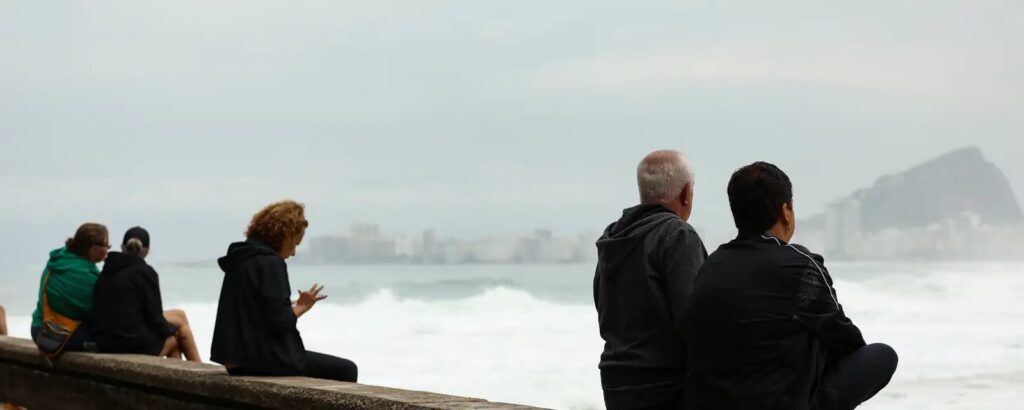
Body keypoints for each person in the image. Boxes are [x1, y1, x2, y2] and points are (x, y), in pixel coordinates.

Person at [683, 162, 897, 410]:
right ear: (786, 211)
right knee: (882, 356)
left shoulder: (710, 266)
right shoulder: (798, 265)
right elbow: (844, 338)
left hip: (712, 401)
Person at [594, 150, 708, 410]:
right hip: (664, 384)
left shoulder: (613, 236)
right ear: (686, 193)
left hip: (615, 379)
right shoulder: (677, 235)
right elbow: (692, 319)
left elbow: (602, 307)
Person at [211, 200, 357, 382]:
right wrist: (302, 306)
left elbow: (252, 310)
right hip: (260, 360)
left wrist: (285, 303)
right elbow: (279, 322)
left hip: (235, 359)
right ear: (285, 235)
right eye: (295, 244)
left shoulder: (241, 258)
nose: (294, 252)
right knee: (347, 369)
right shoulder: (271, 263)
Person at [92, 227, 201, 362]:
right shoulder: (144, 272)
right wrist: (171, 331)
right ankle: (200, 369)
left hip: (107, 340)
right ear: (147, 250)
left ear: (122, 247)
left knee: (180, 315)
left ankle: (189, 373)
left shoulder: (107, 271)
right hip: (129, 342)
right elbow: (154, 318)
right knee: (178, 334)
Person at [30, 223, 110, 351]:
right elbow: (96, 312)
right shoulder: (85, 276)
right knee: (108, 340)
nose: (107, 251)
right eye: (106, 246)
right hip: (57, 335)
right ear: (94, 249)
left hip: (39, 328)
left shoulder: (59, 259)